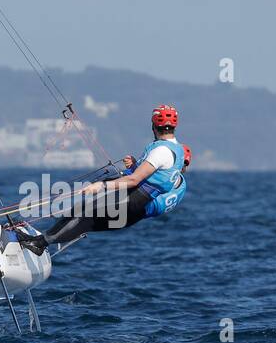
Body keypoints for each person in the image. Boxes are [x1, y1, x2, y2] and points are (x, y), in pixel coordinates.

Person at [21, 104, 188, 254]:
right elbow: (156, 177)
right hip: (136, 202)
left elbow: (134, 181)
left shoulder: (162, 151)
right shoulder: (177, 150)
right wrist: (135, 165)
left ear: (153, 125)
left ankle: (39, 244)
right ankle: (42, 240)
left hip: (133, 199)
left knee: (84, 217)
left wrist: (101, 186)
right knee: (83, 213)